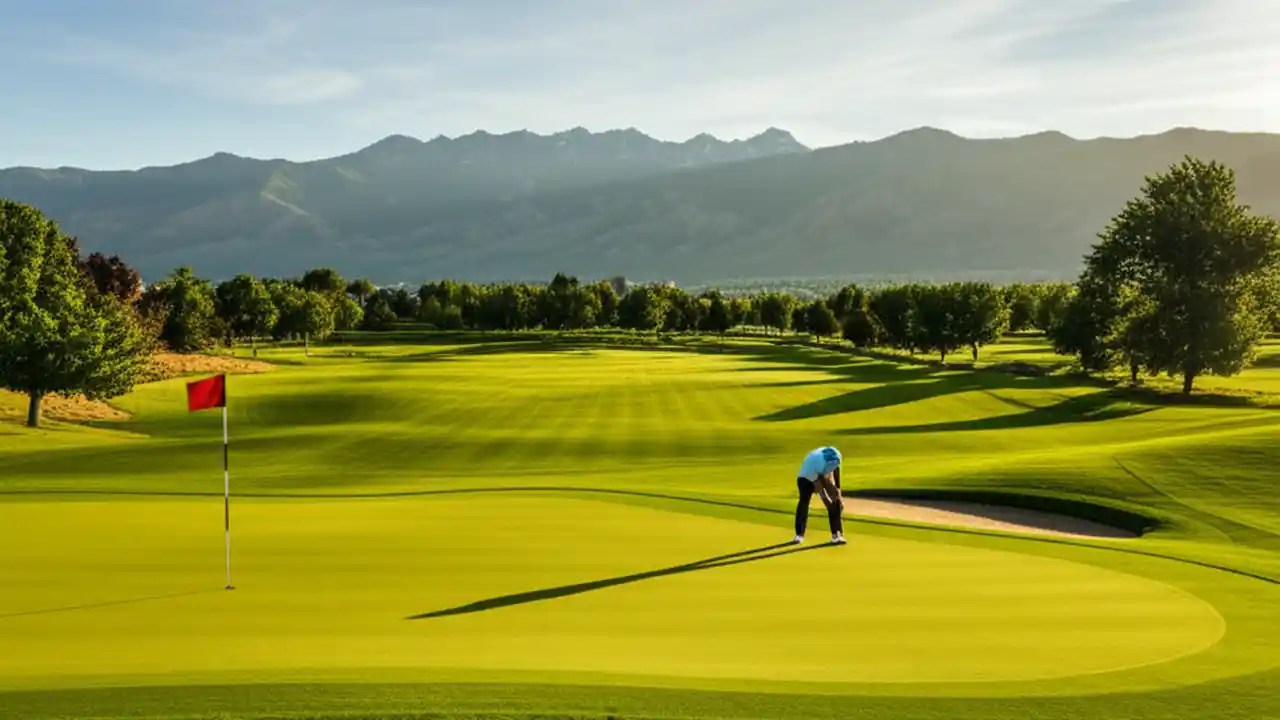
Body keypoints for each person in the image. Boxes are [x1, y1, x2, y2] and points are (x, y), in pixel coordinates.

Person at [793, 446, 846, 545]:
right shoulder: (819, 468)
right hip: (805, 478)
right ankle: (799, 535)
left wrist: (838, 494)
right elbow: (821, 485)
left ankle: (837, 535)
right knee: (804, 502)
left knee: (835, 502)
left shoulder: (836, 457)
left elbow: (836, 472)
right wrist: (829, 501)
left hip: (817, 472)